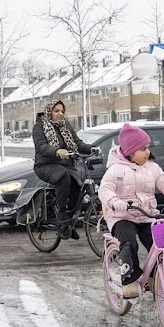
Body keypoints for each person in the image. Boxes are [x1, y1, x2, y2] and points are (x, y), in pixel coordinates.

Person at [99, 122, 164, 299]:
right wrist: (114, 201)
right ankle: (128, 279)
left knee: (161, 244)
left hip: (146, 214)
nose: (147, 152)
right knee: (128, 241)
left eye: (148, 148)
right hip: (121, 215)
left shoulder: (152, 168)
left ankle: (154, 276)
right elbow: (104, 190)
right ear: (130, 151)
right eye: (142, 149)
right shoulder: (116, 170)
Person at [32, 100, 97, 239]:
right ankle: (61, 213)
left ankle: (67, 223)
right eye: (56, 111)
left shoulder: (65, 126)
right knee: (63, 177)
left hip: (65, 164)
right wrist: (56, 151)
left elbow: (77, 143)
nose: (60, 114)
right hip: (45, 164)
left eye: (62, 111)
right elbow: (41, 146)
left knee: (77, 186)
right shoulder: (39, 126)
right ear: (49, 112)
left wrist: (91, 148)